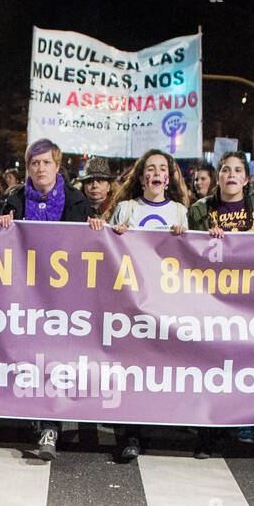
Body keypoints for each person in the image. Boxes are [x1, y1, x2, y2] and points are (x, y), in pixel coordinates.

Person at [0, 139, 90, 459]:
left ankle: (50, 426)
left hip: (64, 295)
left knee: (55, 358)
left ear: (57, 166)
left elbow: (91, 244)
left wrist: (98, 229)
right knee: (28, 357)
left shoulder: (76, 200)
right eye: (34, 163)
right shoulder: (12, 199)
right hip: (22, 293)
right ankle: (33, 417)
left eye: (46, 162)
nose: (40, 168)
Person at [101, 149, 191, 462]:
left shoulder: (180, 212)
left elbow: (188, 259)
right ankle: (129, 434)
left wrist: (183, 238)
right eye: (150, 168)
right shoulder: (126, 209)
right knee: (129, 367)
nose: (156, 173)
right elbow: (106, 250)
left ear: (169, 178)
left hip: (162, 301)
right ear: (141, 178)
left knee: (150, 369)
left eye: (162, 168)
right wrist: (117, 235)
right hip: (129, 300)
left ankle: (145, 426)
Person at [188, 151, 254, 458]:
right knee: (211, 367)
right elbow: (185, 247)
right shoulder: (200, 210)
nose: (231, 174)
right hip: (212, 298)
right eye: (225, 169)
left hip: (249, 299)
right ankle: (207, 434)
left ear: (246, 178)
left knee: (243, 365)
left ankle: (243, 424)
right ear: (218, 176)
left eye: (237, 170)